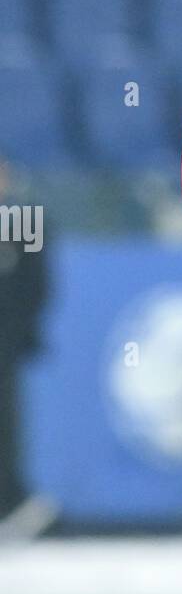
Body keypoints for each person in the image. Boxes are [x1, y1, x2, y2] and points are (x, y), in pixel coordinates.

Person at [0, 158, 54, 541]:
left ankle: (14, 501)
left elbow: (36, 283)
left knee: (7, 418)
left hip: (8, 339)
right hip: (11, 338)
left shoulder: (22, 218)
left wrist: (24, 332)